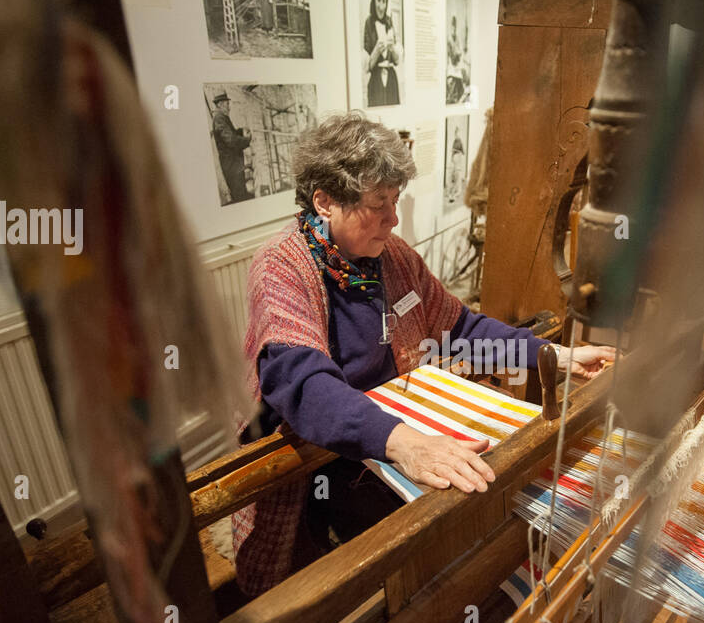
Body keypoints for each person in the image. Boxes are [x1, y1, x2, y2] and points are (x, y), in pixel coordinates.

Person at [232, 113, 614, 596]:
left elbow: (459, 326)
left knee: (475, 507)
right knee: (435, 538)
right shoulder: (281, 269)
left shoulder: (391, 257)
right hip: (323, 454)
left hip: (384, 431)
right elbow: (307, 387)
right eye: (379, 204)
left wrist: (551, 355)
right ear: (324, 202)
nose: (394, 220)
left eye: (396, 201)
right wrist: (405, 444)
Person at [363, 0, 401, 107]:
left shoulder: (390, 22)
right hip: (376, 83)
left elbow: (397, 61)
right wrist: (376, 50)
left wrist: (392, 49)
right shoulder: (369, 23)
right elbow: (366, 67)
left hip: (391, 82)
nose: (381, 6)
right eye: (378, 0)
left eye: (384, 1)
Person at [211, 92, 252, 203]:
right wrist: (247, 140)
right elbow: (231, 141)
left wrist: (240, 130)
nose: (229, 107)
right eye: (227, 104)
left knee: (241, 193)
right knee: (239, 196)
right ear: (219, 104)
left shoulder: (222, 118)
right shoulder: (219, 118)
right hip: (232, 166)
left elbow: (231, 134)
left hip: (234, 165)